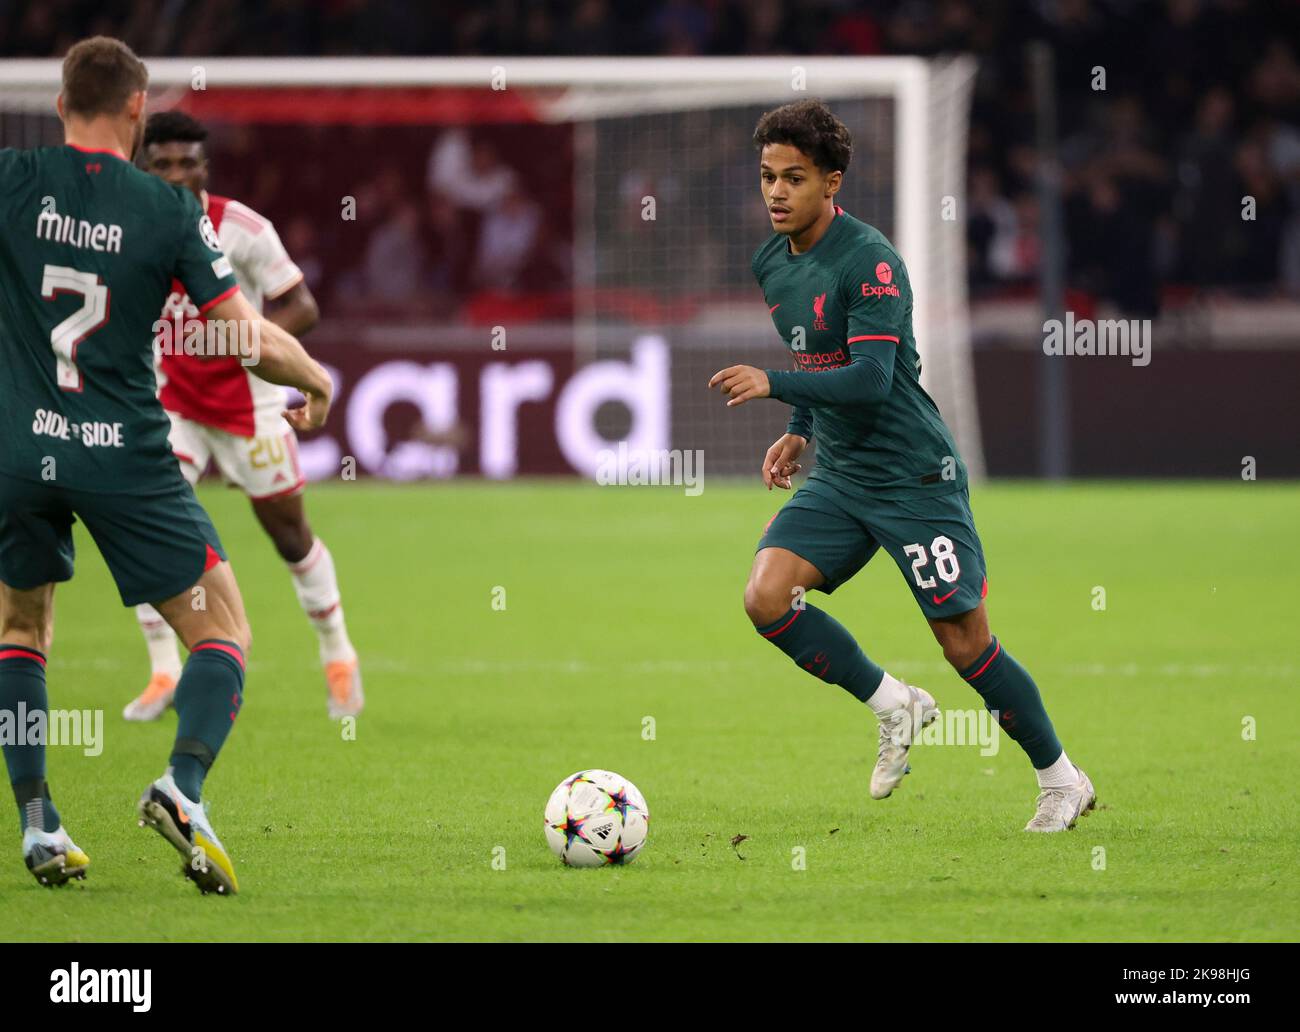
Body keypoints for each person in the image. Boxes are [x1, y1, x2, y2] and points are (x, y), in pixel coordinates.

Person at [0, 37, 333, 892]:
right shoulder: (167, 210)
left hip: (20, 452)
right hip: (125, 460)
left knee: (20, 631)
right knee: (222, 629)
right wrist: (316, 376)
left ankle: (40, 826)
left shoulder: (12, 180)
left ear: (60, 100)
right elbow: (244, 335)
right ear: (138, 109)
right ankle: (181, 787)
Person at [709, 99, 1094, 831]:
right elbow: (811, 350)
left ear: (832, 182)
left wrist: (774, 387)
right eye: (767, 177)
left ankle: (1060, 778)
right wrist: (797, 430)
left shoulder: (871, 261)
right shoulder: (771, 262)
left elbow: (868, 379)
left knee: (965, 644)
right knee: (766, 596)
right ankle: (895, 704)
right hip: (843, 474)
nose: (777, 193)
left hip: (915, 477)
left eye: (795, 177)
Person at [126, 110, 362, 723]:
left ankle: (338, 656)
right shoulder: (127, 225)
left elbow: (301, 307)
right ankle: (161, 668)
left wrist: (245, 341)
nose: (177, 174)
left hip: (250, 406)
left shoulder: (242, 229)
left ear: (207, 167)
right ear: (142, 167)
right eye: (163, 164)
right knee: (144, 520)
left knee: (289, 535)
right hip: (171, 404)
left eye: (188, 162)